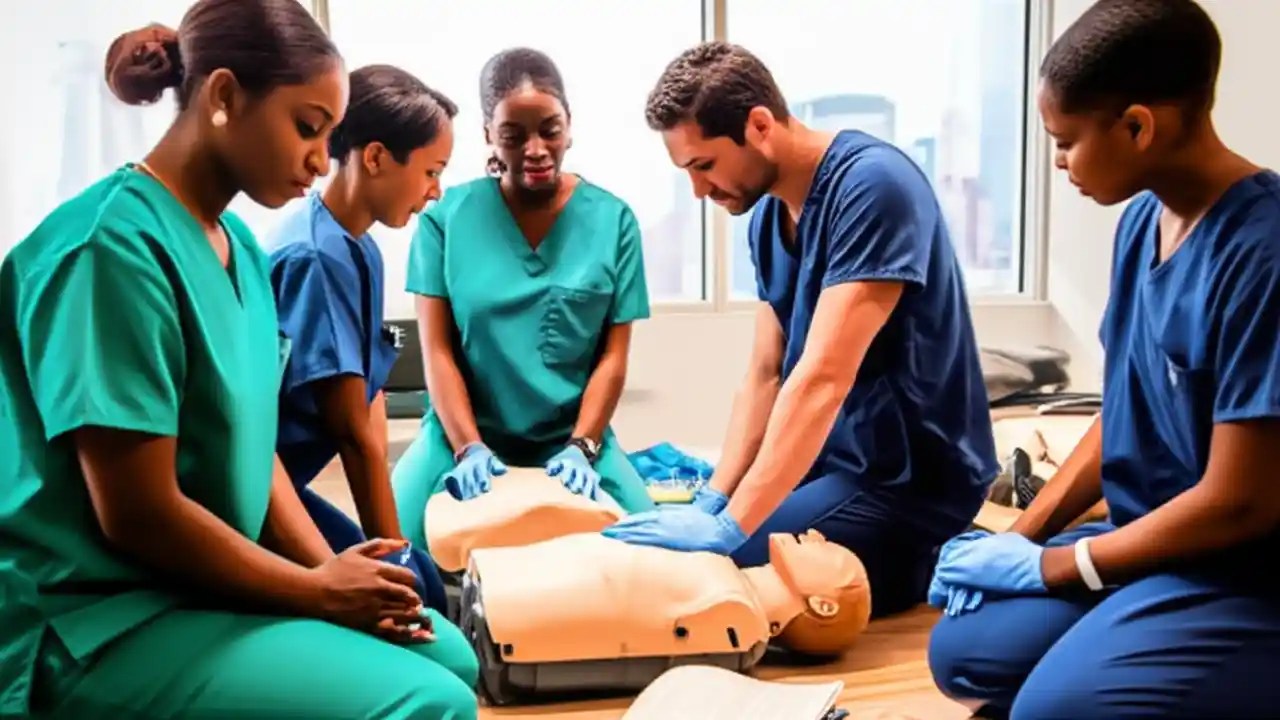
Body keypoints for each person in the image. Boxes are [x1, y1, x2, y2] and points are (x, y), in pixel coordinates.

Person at [0, 2, 478, 718]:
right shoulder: (107, 250)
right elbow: (138, 514)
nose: (323, 159)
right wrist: (315, 593)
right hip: (97, 618)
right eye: (308, 127)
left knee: (448, 651)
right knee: (429, 699)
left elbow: (260, 461)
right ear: (223, 97)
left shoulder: (242, 253)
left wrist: (334, 572)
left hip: (196, 587)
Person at [926, 2, 1280, 717]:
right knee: (964, 648)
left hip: (1244, 571)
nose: (1057, 164)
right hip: (1152, 545)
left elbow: (1241, 502)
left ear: (1139, 126)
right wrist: (1022, 544)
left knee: (1052, 709)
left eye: (1065, 142)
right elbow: (1120, 413)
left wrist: (1061, 566)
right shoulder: (1142, 222)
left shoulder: (1264, 251)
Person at [602, 41, 998, 618]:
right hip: (838, 462)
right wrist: (715, 499)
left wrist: (731, 528)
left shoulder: (873, 186)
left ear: (759, 125)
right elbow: (766, 374)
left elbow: (821, 379)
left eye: (704, 166)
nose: (699, 191)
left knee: (722, 573)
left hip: (912, 480)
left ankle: (939, 554)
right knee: (683, 549)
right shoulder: (766, 218)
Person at [392, 47, 655, 556]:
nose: (535, 149)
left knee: (659, 556)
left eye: (550, 130)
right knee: (391, 547)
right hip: (461, 436)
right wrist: (467, 446)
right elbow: (437, 352)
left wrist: (584, 445)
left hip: (575, 440)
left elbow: (613, 358)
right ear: (489, 135)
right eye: (514, 135)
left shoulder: (614, 220)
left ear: (570, 126)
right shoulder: (444, 219)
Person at [264, 64, 458, 614]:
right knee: (412, 589)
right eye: (430, 171)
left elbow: (368, 399)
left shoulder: (358, 246)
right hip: (252, 493)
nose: (435, 191)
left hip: (287, 484)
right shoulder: (315, 257)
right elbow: (350, 431)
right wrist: (394, 565)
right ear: (375, 158)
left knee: (420, 574)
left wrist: (398, 551)